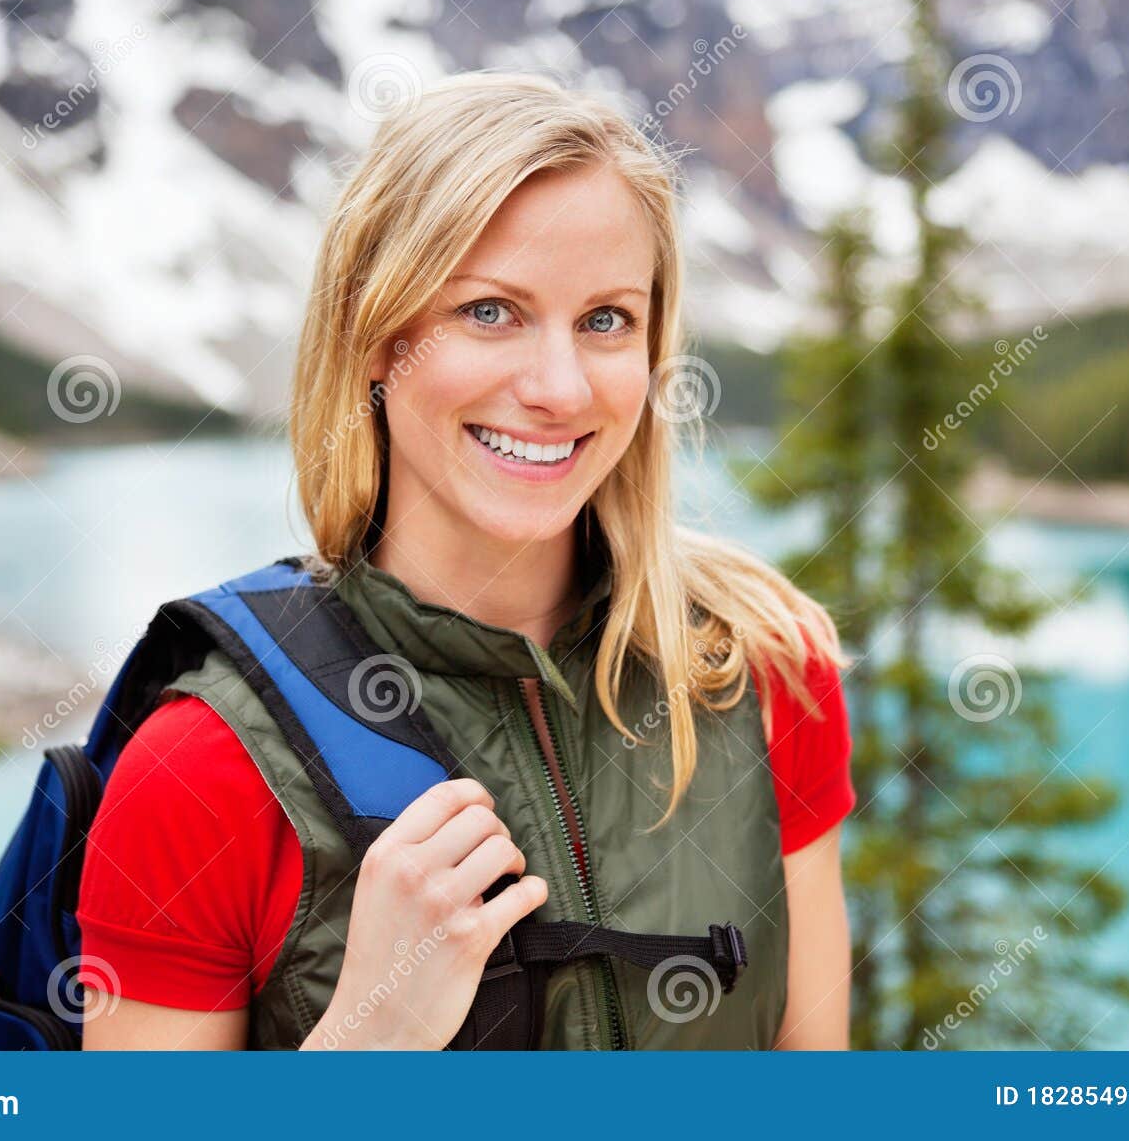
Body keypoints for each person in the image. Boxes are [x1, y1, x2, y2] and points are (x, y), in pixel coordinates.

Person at [77, 71, 854, 1050]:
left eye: (605, 319)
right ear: (373, 333)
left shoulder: (762, 667)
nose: (559, 386)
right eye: (489, 311)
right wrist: (370, 1033)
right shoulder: (199, 772)